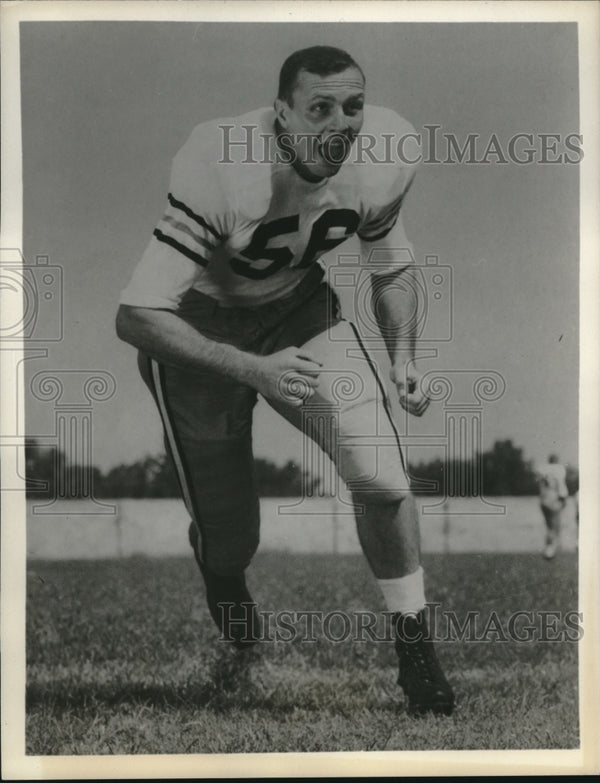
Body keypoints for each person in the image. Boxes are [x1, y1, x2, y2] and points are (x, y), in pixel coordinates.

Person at [116, 45, 454, 716]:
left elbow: (390, 263)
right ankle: (221, 568)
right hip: (201, 328)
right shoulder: (223, 162)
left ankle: (415, 648)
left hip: (298, 309)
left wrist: (404, 356)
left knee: (383, 476)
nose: (342, 122)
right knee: (234, 530)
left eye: (353, 106)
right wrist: (250, 367)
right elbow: (136, 315)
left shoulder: (385, 151)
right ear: (281, 116)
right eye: (319, 108)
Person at [537, 453, 569, 559]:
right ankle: (550, 551)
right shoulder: (559, 469)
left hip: (543, 499)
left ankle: (549, 549)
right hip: (553, 499)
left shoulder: (543, 469)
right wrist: (564, 498)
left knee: (549, 526)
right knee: (555, 527)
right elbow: (561, 485)